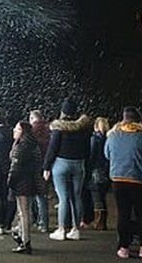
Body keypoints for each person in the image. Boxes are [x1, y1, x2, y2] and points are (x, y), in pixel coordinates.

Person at [105, 106, 142, 259]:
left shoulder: (112, 135)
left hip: (118, 179)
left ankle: (124, 247)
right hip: (140, 180)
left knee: (123, 214)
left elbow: (107, 154)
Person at [44, 97, 92, 241]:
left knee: (63, 197)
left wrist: (46, 167)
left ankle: (61, 229)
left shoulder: (59, 128)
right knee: (76, 197)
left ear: (62, 111)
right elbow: (87, 149)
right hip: (78, 164)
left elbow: (52, 149)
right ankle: (75, 229)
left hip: (61, 164)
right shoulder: (82, 129)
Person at [9, 120, 39, 254]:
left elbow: (15, 167)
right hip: (31, 181)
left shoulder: (21, 147)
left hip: (22, 183)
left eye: (17, 129)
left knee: (23, 212)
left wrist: (10, 181)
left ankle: (25, 240)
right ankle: (22, 235)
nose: (14, 131)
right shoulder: (33, 145)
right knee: (25, 212)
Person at [29, 110, 51, 232]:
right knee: (42, 195)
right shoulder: (48, 130)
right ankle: (43, 223)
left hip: (34, 166)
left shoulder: (32, 131)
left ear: (32, 119)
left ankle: (39, 221)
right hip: (45, 166)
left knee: (35, 196)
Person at [88, 117, 112, 230]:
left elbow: (92, 155)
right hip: (107, 170)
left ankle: (98, 222)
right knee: (103, 196)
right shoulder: (110, 138)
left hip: (96, 170)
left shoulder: (94, 139)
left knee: (96, 196)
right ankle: (103, 221)